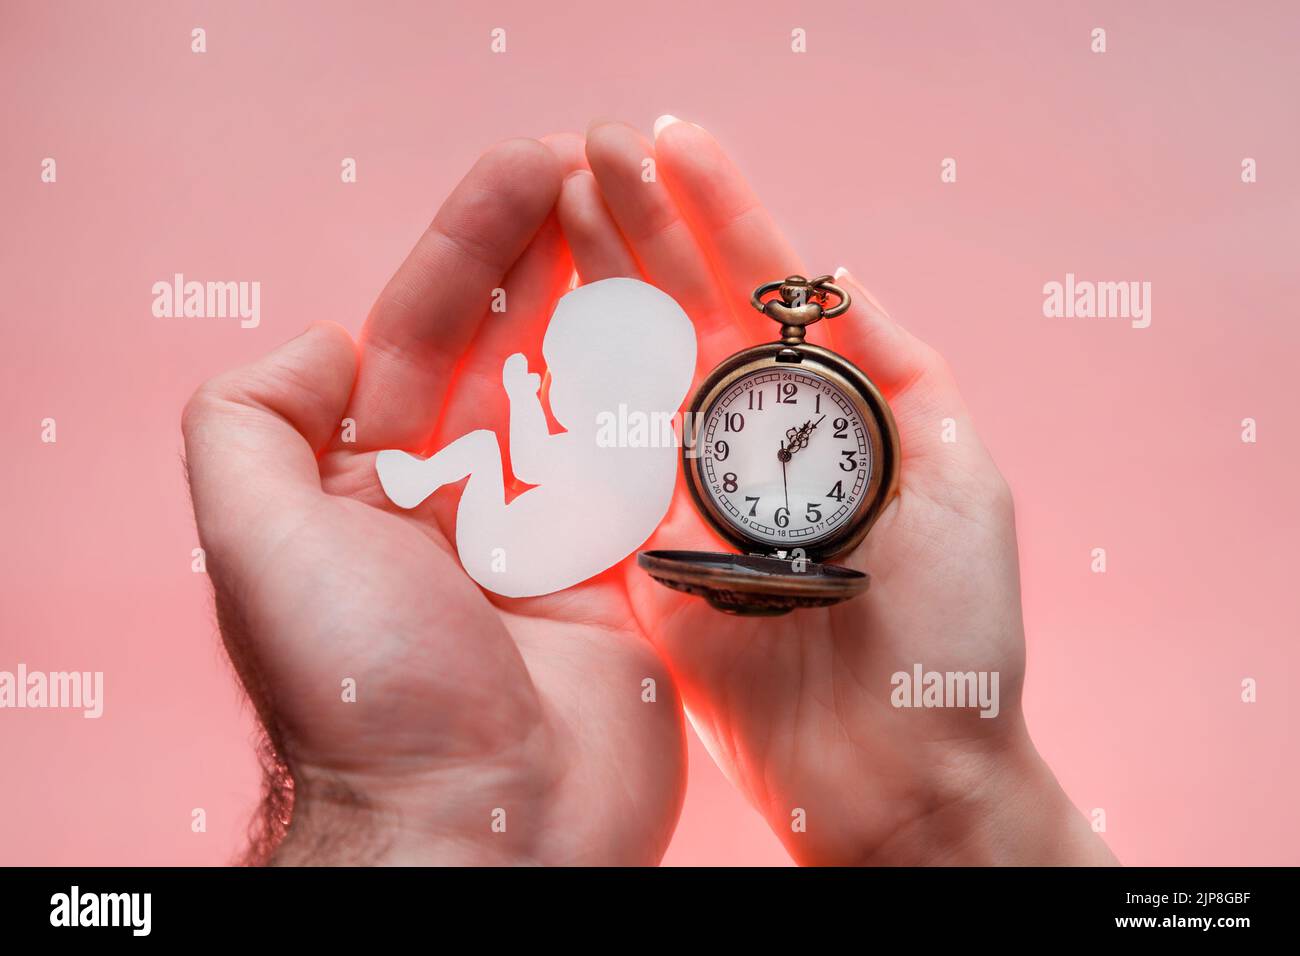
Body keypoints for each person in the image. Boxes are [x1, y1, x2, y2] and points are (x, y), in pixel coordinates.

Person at [181, 117, 1116, 866]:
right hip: (528, 538)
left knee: (471, 464)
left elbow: (549, 463)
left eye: (554, 364)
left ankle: (438, 474)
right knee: (480, 467)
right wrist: (951, 819)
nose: (543, 373)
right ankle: (440, 476)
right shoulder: (634, 450)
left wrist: (424, 825)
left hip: (527, 533)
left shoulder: (627, 453)